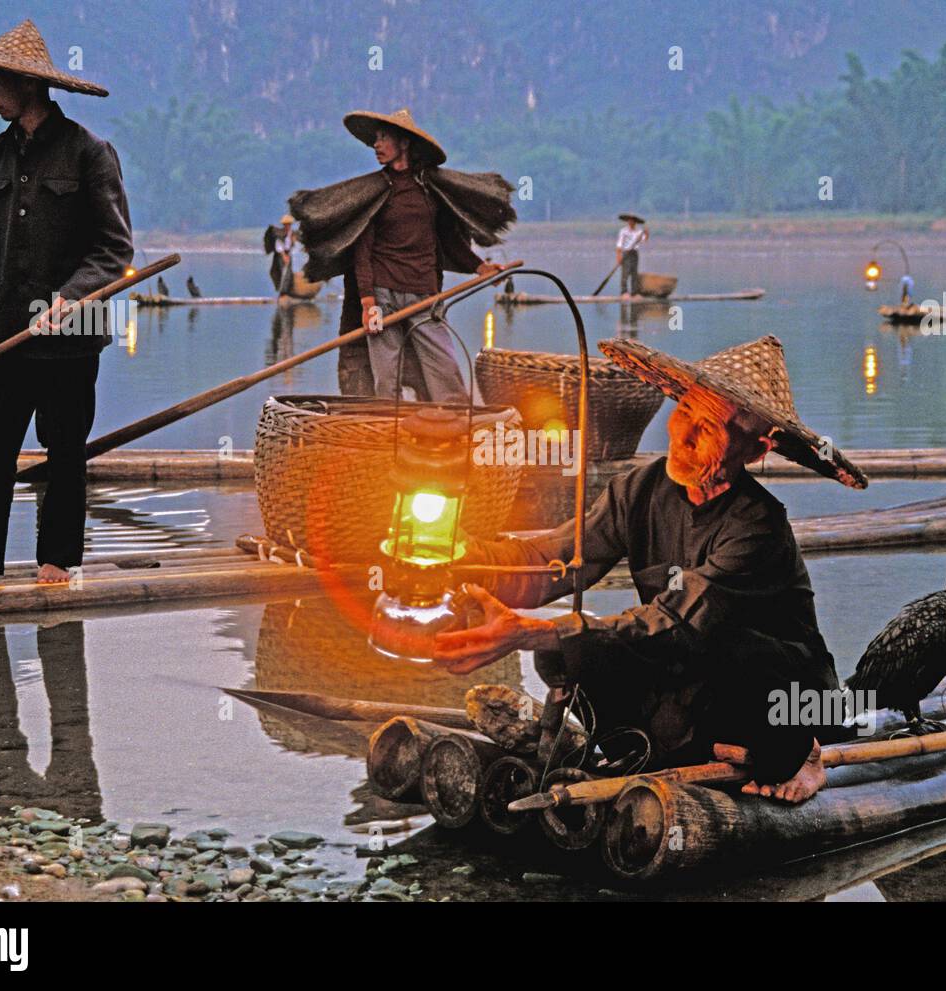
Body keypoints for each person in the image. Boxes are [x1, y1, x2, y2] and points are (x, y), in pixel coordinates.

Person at [433, 336, 869, 804]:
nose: (682, 436)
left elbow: (679, 622)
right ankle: (650, 752)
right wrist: (458, 561)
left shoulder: (758, 525)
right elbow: (552, 561)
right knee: (568, 654)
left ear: (755, 450)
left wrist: (530, 631)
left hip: (779, 698)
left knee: (731, 648)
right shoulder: (639, 490)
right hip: (692, 682)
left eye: (709, 426)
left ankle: (805, 756)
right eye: (683, 412)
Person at [0, 20, 133, 589]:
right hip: (7, 332)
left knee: (64, 454)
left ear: (27, 85)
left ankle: (57, 561)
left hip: (71, 337)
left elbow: (114, 250)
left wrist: (68, 300)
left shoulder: (91, 153)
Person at [288, 109, 516, 400]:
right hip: (383, 298)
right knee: (386, 378)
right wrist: (368, 302)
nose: (376, 145)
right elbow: (363, 251)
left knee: (444, 371)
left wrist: (481, 268)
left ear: (404, 143)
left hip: (425, 295)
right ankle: (390, 437)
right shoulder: (374, 192)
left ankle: (455, 431)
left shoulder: (430, 190)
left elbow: (447, 240)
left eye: (384, 138)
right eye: (375, 140)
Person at [616, 212, 648, 298]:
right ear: (628, 221)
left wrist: (646, 233)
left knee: (634, 273)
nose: (631, 222)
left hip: (634, 253)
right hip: (626, 252)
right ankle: (624, 292)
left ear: (635, 222)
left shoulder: (639, 232)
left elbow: (644, 240)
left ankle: (634, 292)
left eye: (633, 221)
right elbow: (619, 244)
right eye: (629, 221)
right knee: (625, 272)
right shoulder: (623, 231)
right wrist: (618, 256)